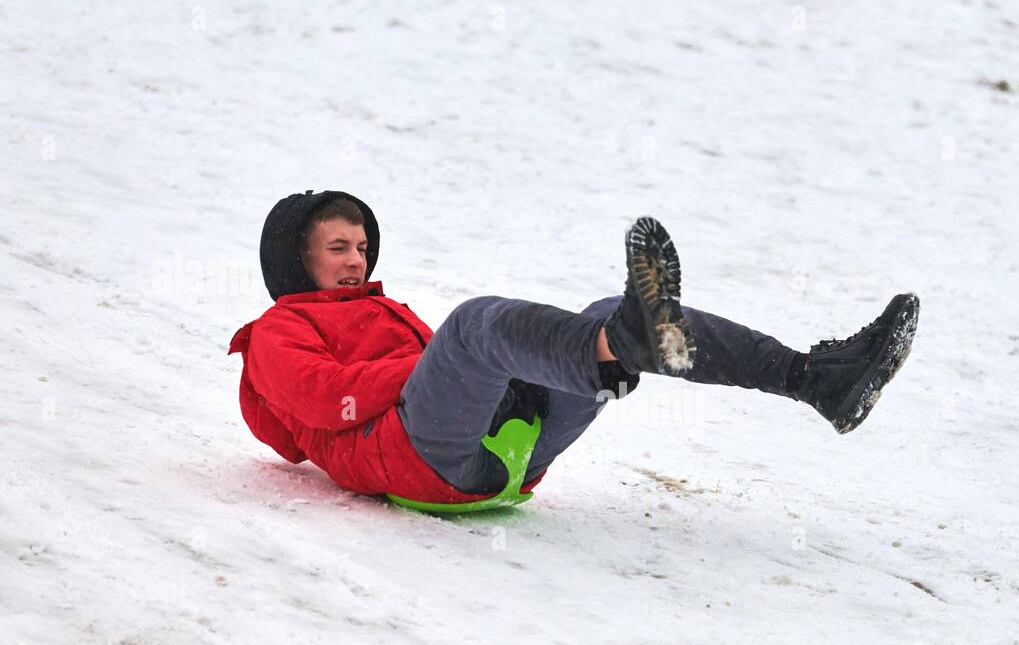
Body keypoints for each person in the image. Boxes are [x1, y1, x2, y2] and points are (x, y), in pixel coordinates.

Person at [228, 190, 919, 506]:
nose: (357, 259)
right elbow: (327, 402)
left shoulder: (385, 311)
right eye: (338, 248)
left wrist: (497, 381)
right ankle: (617, 345)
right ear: (298, 257)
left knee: (601, 319)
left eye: (362, 246)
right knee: (473, 327)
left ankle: (814, 379)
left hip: (511, 460)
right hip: (408, 465)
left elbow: (429, 382)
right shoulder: (277, 333)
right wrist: (440, 368)